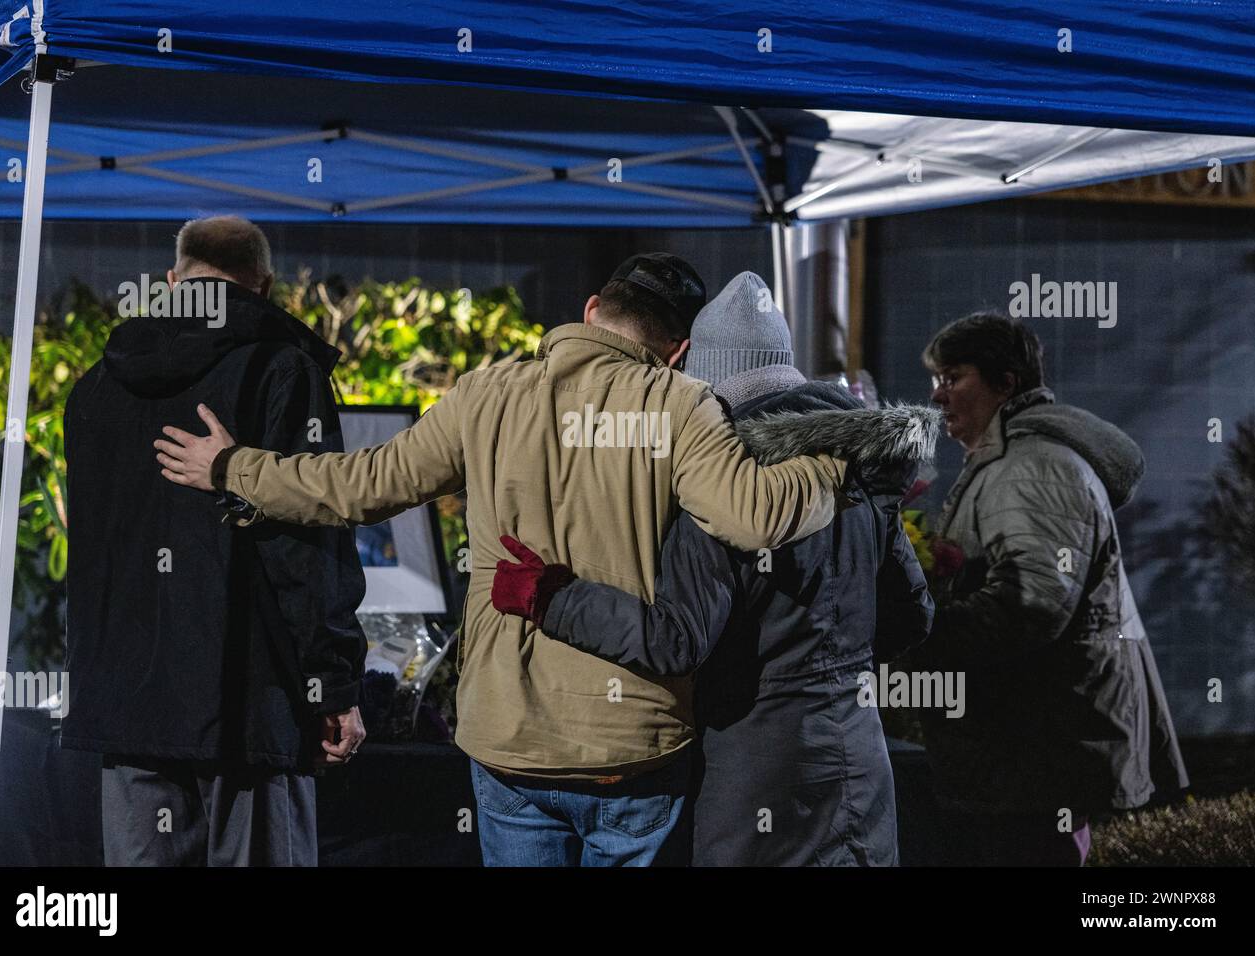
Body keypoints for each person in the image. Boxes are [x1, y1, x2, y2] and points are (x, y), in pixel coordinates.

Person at [154, 253, 870, 867]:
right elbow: (753, 517)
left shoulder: (487, 394)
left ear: (592, 310)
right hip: (630, 753)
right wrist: (842, 464)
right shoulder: (681, 406)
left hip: (508, 742)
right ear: (680, 349)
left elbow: (359, 487)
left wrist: (234, 469)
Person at [491, 272, 937, 865]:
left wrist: (552, 598)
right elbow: (911, 618)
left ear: (707, 376)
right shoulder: (857, 466)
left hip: (754, 768)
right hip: (858, 759)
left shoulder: (723, 479)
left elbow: (676, 639)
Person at [63, 216, 367, 866]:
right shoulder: (282, 372)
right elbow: (308, 545)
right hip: (250, 708)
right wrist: (331, 686)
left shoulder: (93, 388)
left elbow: (87, 561)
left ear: (174, 281)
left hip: (127, 706)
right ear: (263, 284)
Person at [913, 311, 1188, 866]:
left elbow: (1032, 605)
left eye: (953, 378)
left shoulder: (1034, 466)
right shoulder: (1009, 459)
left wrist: (919, 633)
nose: (938, 397)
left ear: (1005, 383)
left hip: (1034, 746)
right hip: (1026, 746)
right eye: (935, 381)